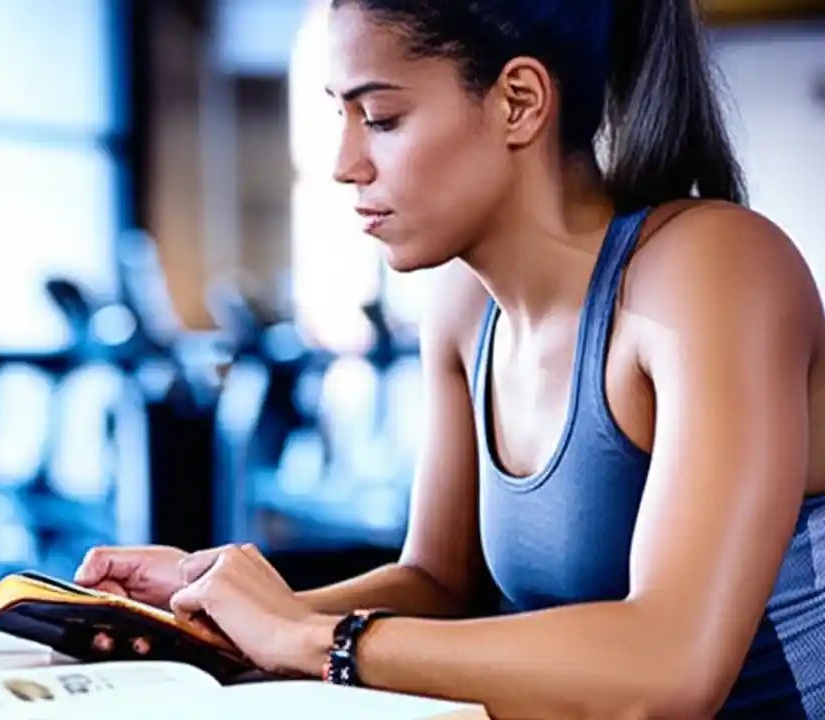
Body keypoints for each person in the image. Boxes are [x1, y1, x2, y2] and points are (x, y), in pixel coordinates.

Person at [74, 0, 825, 717]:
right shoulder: (467, 311)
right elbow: (440, 583)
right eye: (340, 114)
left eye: (381, 118)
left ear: (520, 101)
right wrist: (212, 615)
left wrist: (309, 639)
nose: (344, 162)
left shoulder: (711, 269)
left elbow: (670, 667)